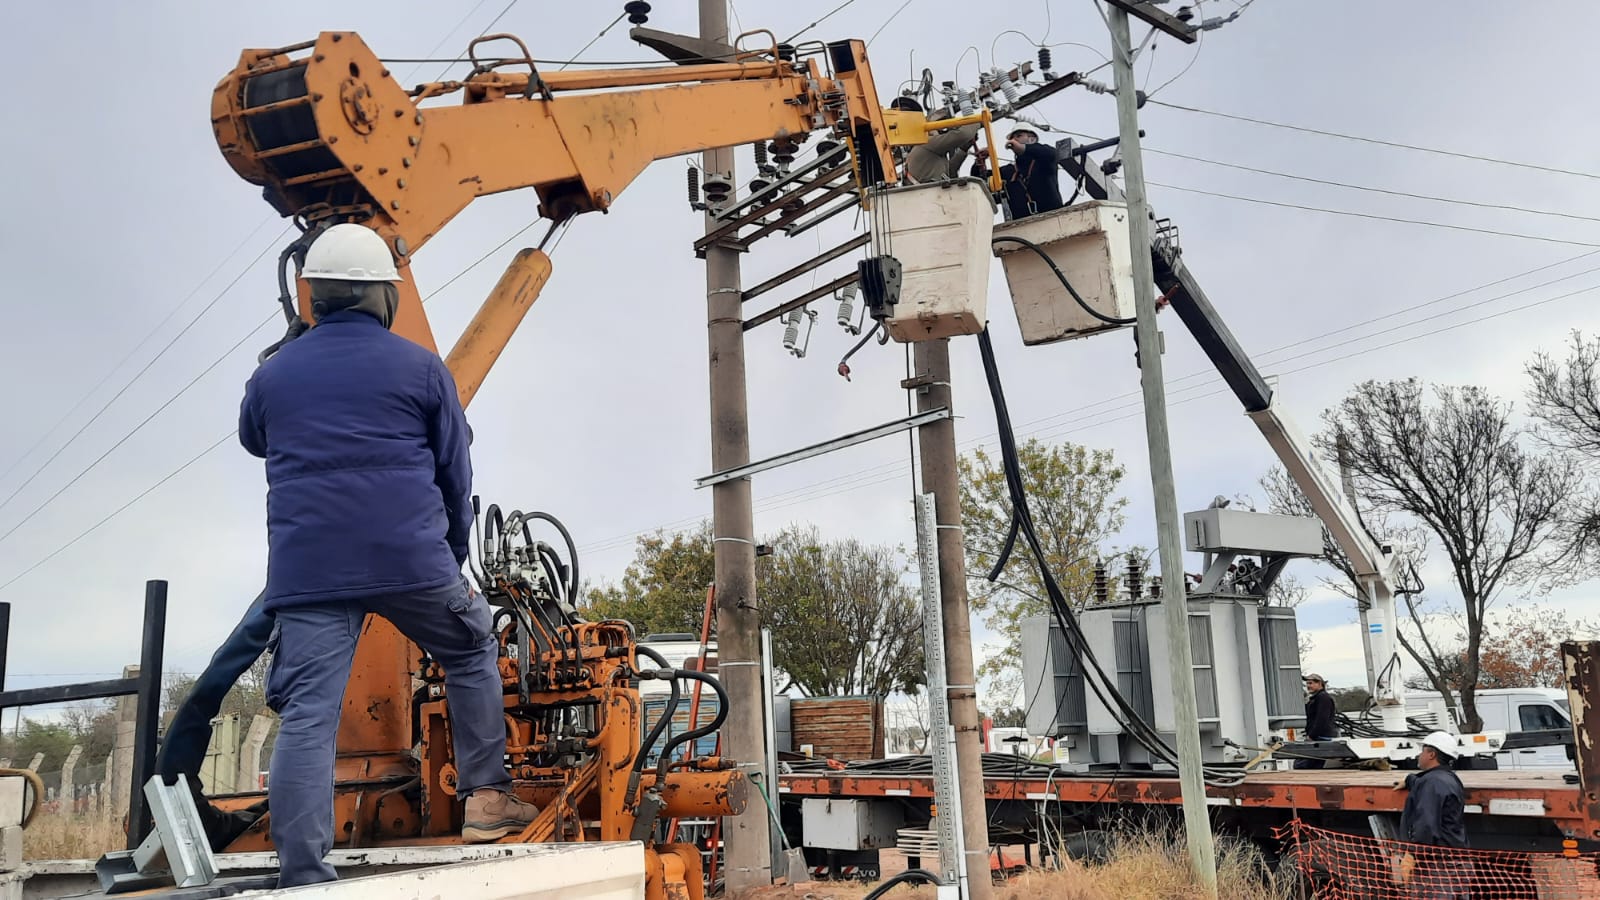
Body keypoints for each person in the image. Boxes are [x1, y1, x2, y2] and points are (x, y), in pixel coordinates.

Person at [239, 223, 535, 887]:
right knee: (469, 648)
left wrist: (291, 363)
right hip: (411, 559)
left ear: (311, 295)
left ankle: (304, 876)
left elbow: (254, 439)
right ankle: (487, 799)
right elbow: (456, 474)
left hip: (310, 570)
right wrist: (450, 555)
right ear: (384, 296)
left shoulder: (273, 376)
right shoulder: (422, 368)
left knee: (308, 717)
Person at [1398, 731, 1470, 899]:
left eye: (1422, 750)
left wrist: (1412, 855)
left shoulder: (1431, 783)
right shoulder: (1448, 778)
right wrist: (1411, 780)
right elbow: (1434, 790)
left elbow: (1426, 825)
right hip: (1457, 863)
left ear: (1432, 754)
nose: (1419, 755)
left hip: (1437, 869)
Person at [971, 127, 1064, 220]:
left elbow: (1051, 153)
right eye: (1012, 138)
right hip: (1021, 227)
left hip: (1054, 219)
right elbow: (980, 182)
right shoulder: (1008, 171)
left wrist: (1024, 149)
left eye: (1019, 136)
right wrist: (979, 162)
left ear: (1032, 139)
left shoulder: (1044, 162)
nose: (1013, 140)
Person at [891, 97, 983, 186]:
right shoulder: (926, 144)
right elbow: (964, 134)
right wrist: (976, 120)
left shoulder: (918, 153)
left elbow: (948, 174)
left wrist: (963, 149)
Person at [1294, 673, 1339, 769]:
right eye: (1307, 684)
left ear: (1319, 684)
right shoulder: (1316, 698)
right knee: (1312, 766)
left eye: (1310, 683)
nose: (1308, 686)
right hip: (1319, 736)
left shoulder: (1323, 698)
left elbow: (1322, 719)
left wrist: (1312, 735)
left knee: (1301, 766)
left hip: (1320, 737)